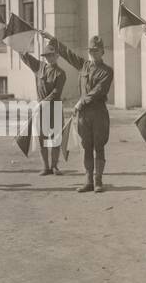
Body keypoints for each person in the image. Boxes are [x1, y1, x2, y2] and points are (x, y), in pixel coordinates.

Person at [45, 33, 114, 193]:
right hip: (83, 115)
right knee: (86, 146)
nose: (93, 53)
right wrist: (53, 39)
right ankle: (88, 180)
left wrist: (80, 102)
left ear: (102, 52)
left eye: (96, 51)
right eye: (90, 51)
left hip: (98, 113)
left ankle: (98, 181)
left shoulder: (107, 71)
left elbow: (98, 90)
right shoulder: (83, 66)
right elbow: (68, 55)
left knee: (99, 146)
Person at [21, 40, 68, 175]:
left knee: (55, 138)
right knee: (42, 138)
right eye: (47, 55)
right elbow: (26, 58)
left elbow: (56, 92)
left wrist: (43, 103)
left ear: (57, 56)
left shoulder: (60, 73)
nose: (49, 58)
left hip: (54, 108)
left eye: (52, 55)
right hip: (41, 109)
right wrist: (19, 47)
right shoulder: (39, 67)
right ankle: (45, 167)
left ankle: (54, 166)